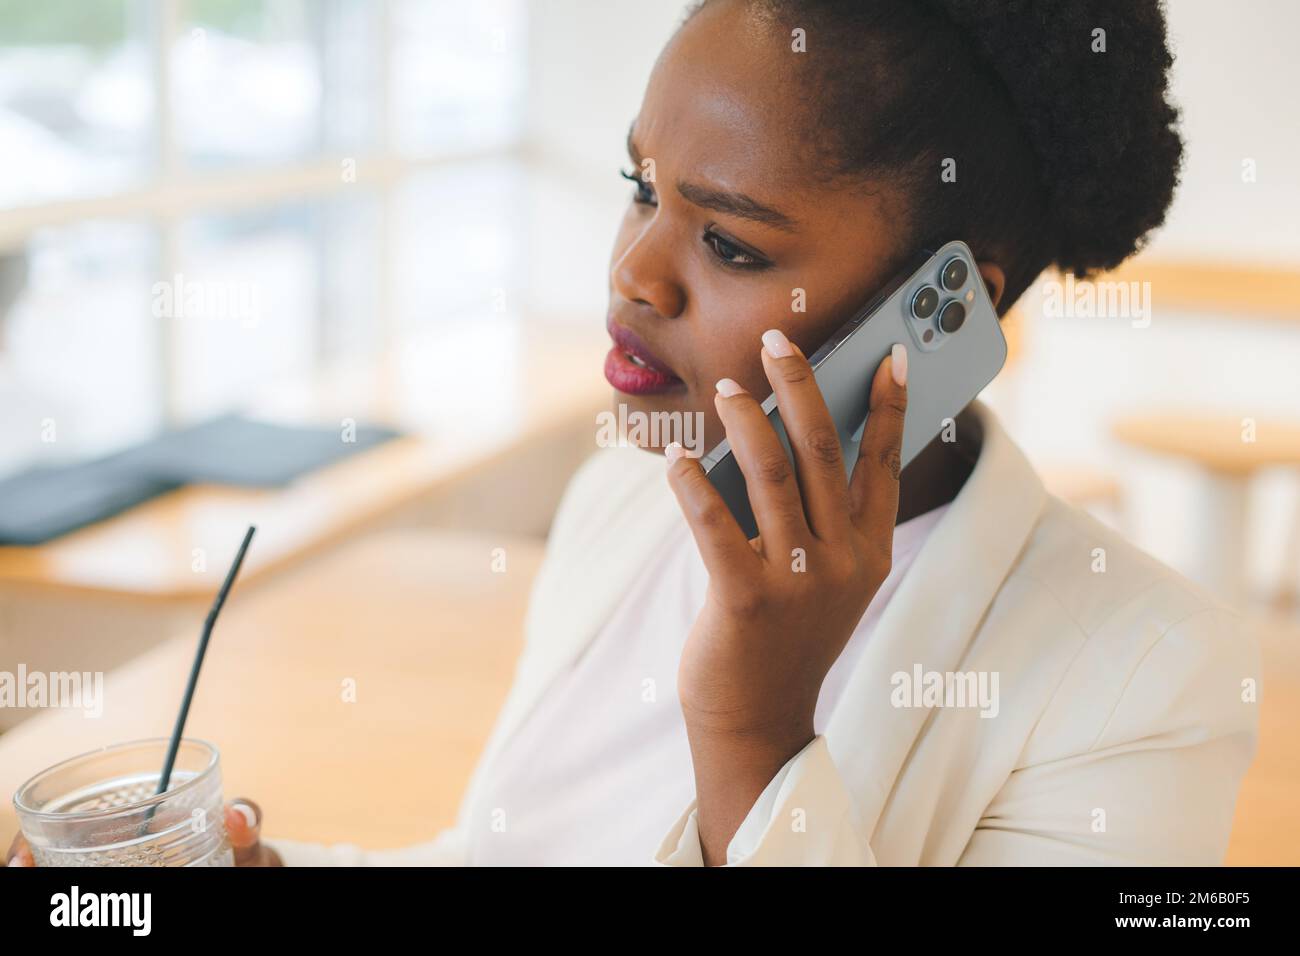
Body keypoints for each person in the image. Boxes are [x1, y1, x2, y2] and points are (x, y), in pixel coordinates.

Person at [8, 0, 1260, 868]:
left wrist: (755, 737)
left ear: (945, 308)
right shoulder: (628, 501)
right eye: (637, 188)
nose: (632, 274)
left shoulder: (1149, 680)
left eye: (728, 242)